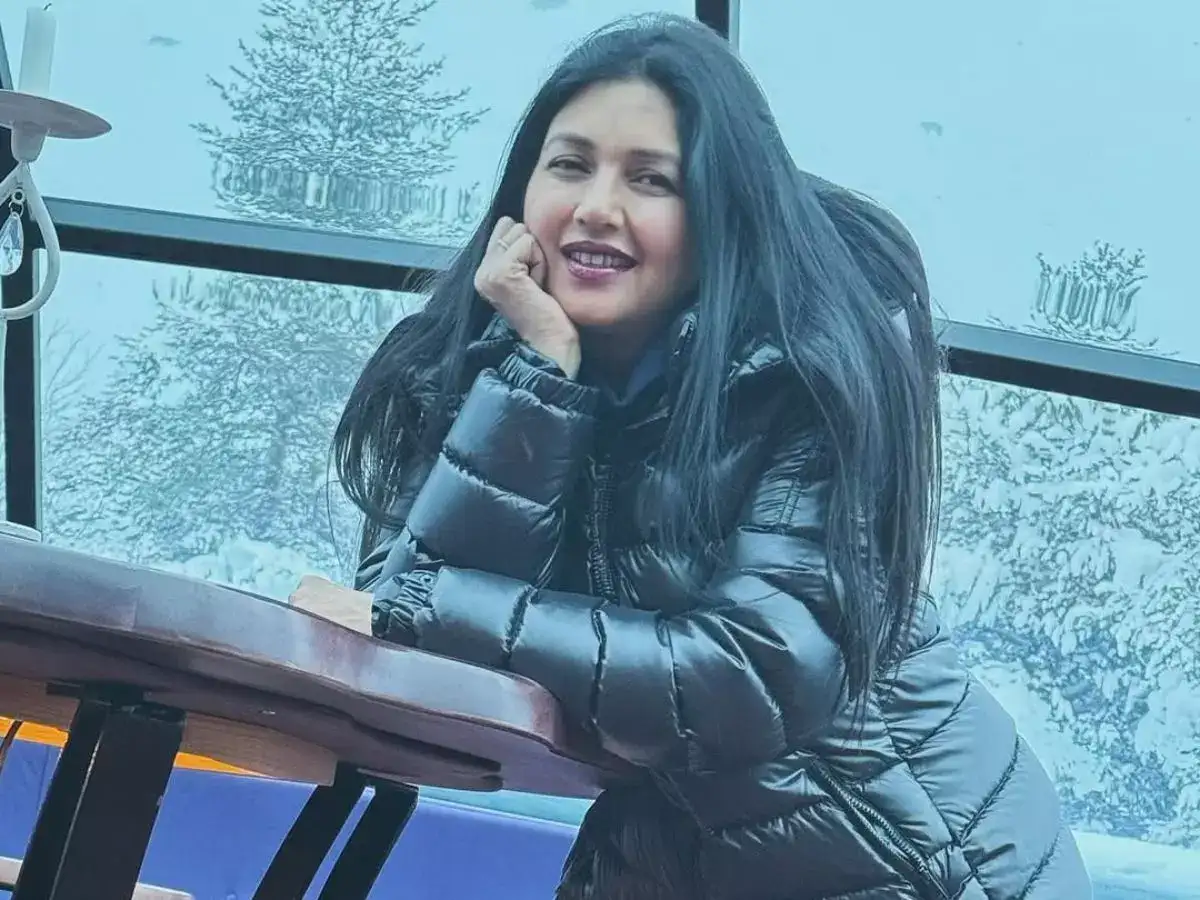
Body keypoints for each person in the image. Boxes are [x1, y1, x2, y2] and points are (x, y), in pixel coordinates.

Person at [334, 13, 1091, 900]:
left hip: (912, 858)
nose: (596, 206)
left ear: (720, 216)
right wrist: (538, 376)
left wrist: (431, 608)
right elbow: (399, 624)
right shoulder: (484, 364)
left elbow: (753, 673)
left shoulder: (800, 372)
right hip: (682, 853)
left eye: (651, 179)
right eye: (569, 164)